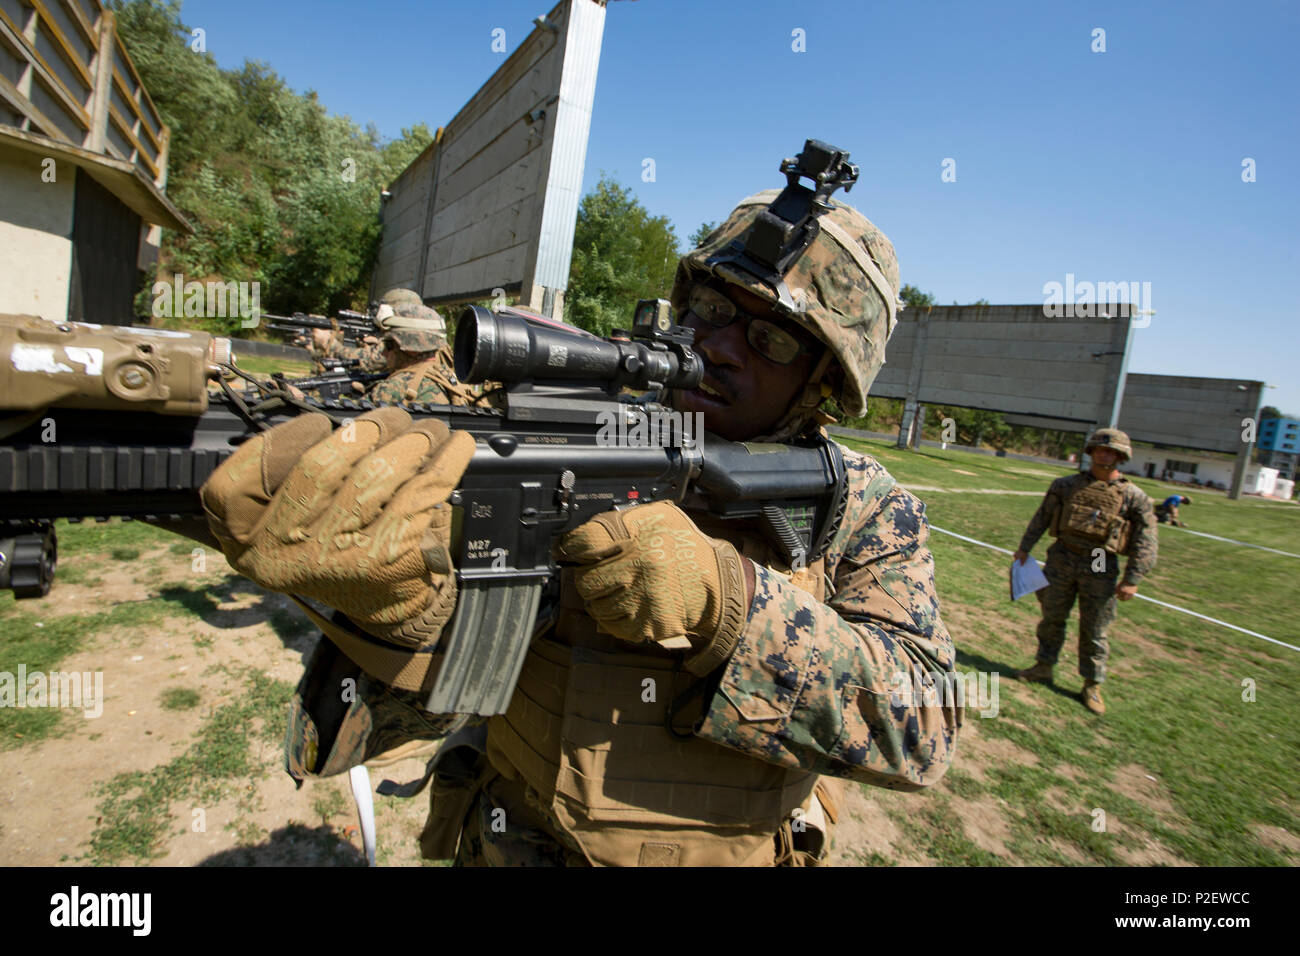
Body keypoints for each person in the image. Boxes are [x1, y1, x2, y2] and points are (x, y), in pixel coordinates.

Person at [197, 145, 960, 866]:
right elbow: (444, 695)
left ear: (825, 380)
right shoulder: (568, 431)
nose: (721, 346)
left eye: (774, 340)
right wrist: (397, 611)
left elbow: (922, 726)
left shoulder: (861, 506)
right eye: (711, 308)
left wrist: (728, 605)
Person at [1011, 428, 1158, 715]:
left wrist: (1133, 578)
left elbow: (1146, 541)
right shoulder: (1065, 486)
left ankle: (1092, 684)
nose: (1105, 454)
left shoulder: (1134, 497)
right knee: (1052, 617)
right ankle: (1043, 666)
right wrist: (1025, 547)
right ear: (1091, 452)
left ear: (1121, 456)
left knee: (1094, 628)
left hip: (1101, 563)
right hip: (1062, 557)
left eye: (1112, 451)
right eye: (1101, 449)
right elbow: (1041, 518)